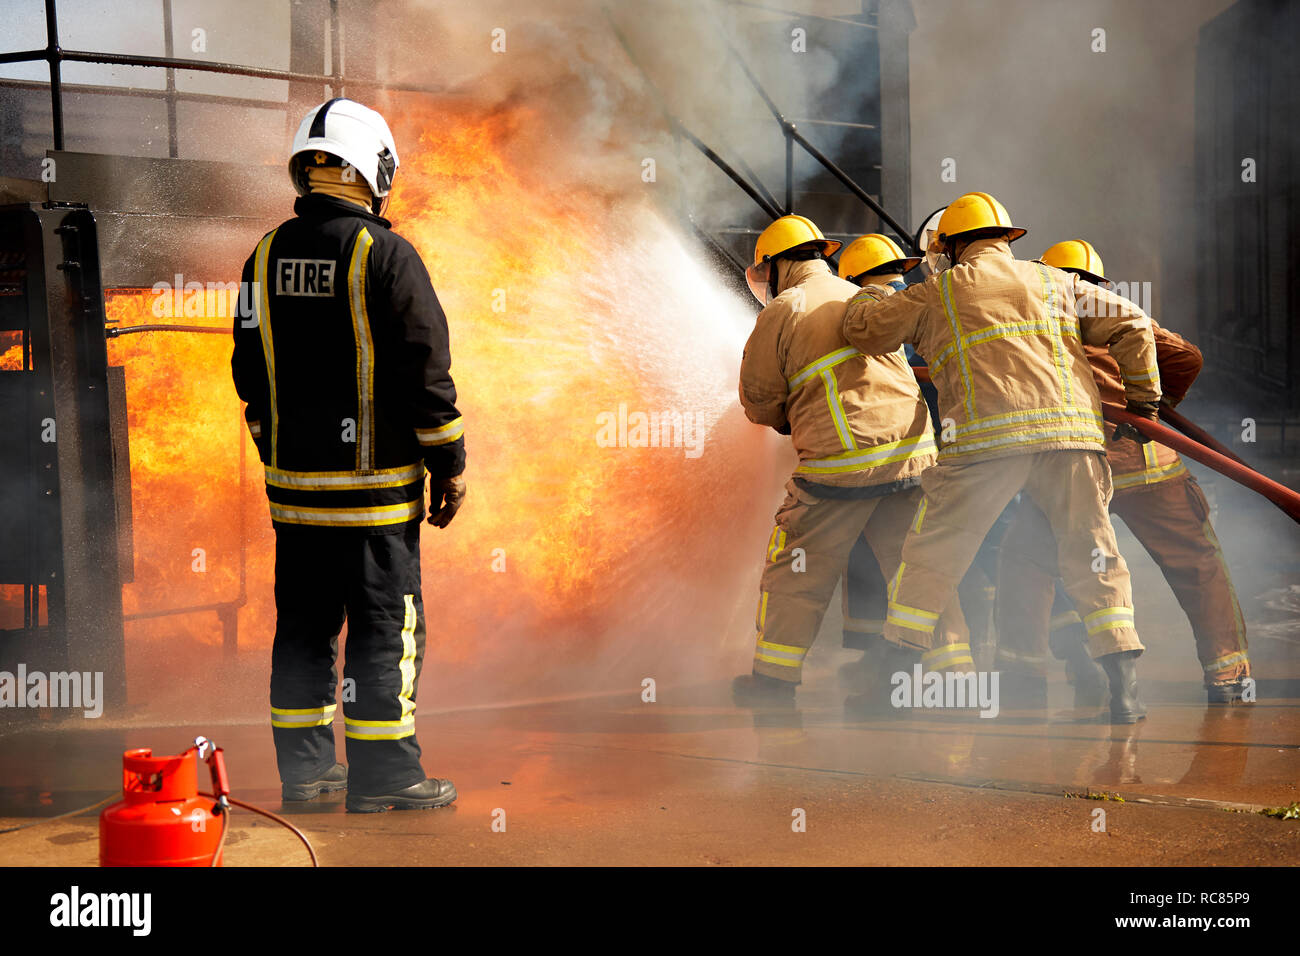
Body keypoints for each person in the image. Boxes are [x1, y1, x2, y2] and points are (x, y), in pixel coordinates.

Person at [841, 192, 1161, 723]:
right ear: (1006, 239)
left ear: (950, 246)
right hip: (1071, 439)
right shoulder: (1057, 281)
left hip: (985, 445)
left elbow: (863, 331)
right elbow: (1132, 323)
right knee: (1094, 555)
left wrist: (857, 294)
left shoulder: (937, 292)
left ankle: (887, 687)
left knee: (933, 557)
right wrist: (1144, 400)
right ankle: (1125, 689)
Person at [232, 97, 467, 811]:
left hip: (294, 496)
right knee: (382, 630)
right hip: (375, 497)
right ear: (374, 168)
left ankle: (305, 773)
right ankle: (387, 776)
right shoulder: (385, 256)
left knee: (302, 630)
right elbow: (426, 371)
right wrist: (449, 464)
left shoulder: (262, 256)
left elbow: (248, 370)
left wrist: (278, 450)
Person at [996, 239, 1252, 705]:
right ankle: (1229, 677)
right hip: (1148, 463)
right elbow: (1186, 358)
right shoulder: (1118, 312)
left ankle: (1023, 682)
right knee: (1198, 565)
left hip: (1074, 468)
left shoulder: (1035, 320)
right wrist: (1151, 404)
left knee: (1028, 563)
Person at [734, 216, 968, 710]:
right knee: (918, 569)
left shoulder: (784, 307)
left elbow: (758, 400)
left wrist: (788, 418)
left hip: (842, 467)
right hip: (911, 456)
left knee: (797, 569)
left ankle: (773, 684)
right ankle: (956, 682)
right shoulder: (865, 293)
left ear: (776, 265)